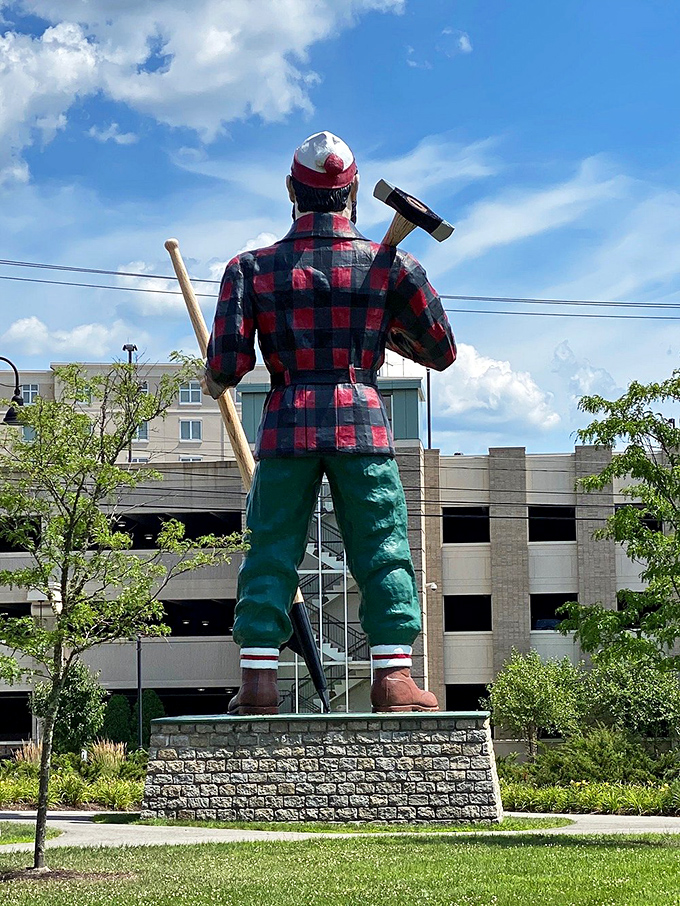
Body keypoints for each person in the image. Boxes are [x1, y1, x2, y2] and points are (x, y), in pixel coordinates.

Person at [205, 131, 456, 714]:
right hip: (362, 423)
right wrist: (385, 319)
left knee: (269, 548)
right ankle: (394, 681)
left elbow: (227, 366)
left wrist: (215, 378)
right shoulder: (393, 267)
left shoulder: (250, 268)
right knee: (382, 546)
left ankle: (259, 684)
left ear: (292, 190)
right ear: (355, 195)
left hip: (287, 423)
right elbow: (440, 351)